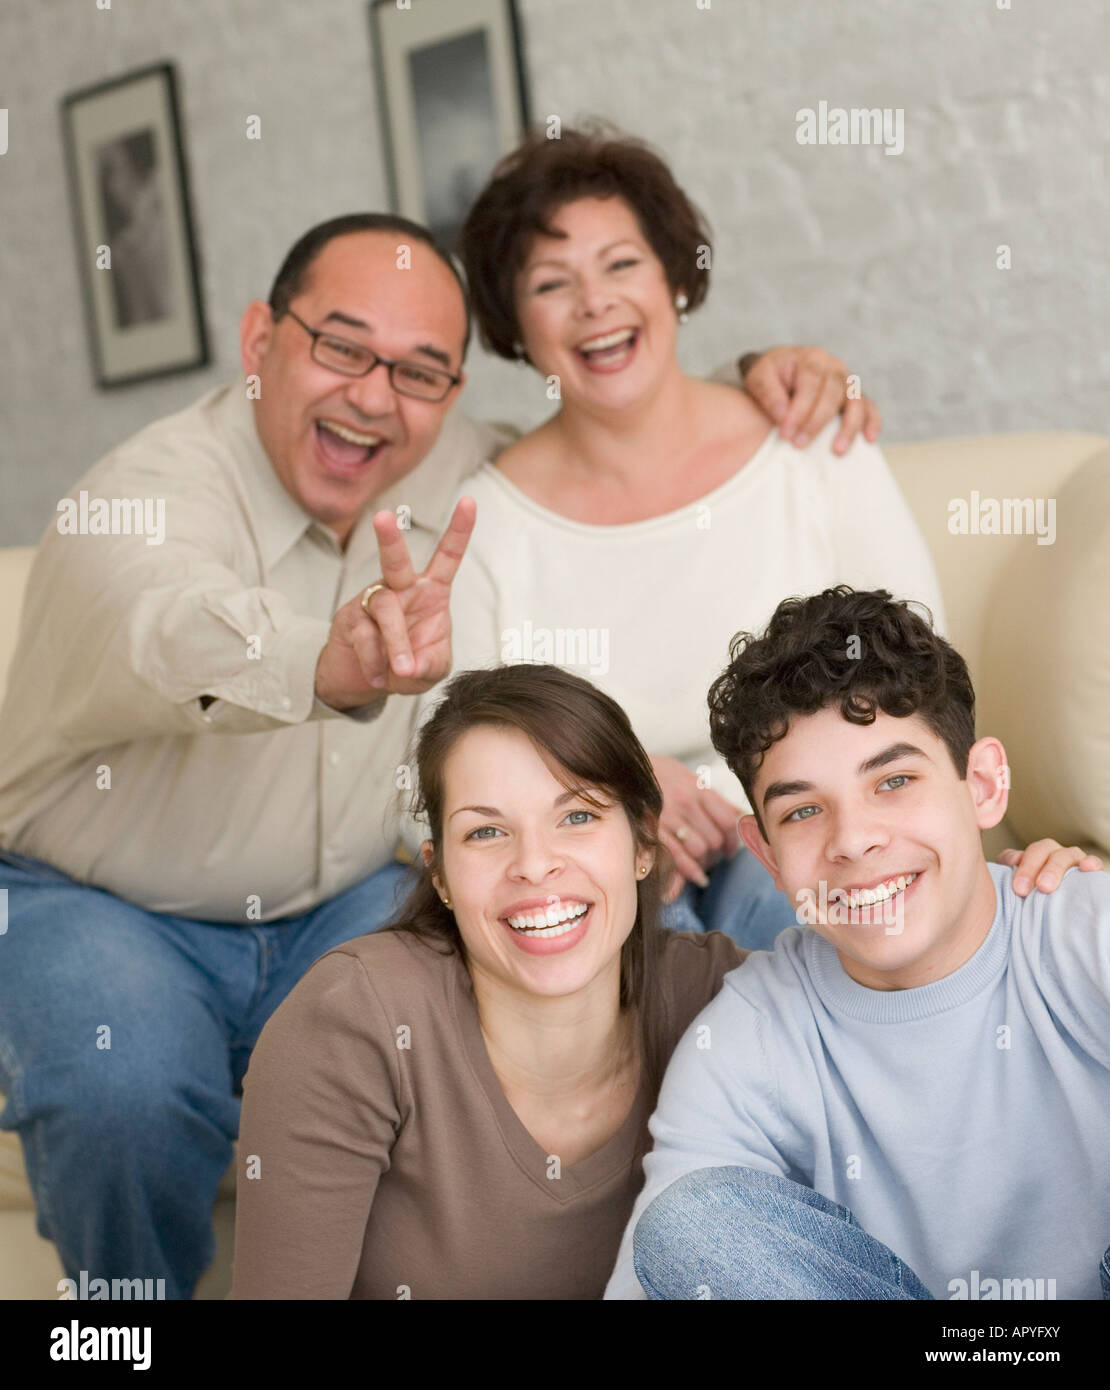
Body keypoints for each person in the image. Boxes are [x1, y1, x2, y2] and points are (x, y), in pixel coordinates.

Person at [0, 208, 868, 1300]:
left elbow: (613, 440)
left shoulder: (463, 465)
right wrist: (336, 661)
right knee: (120, 1087)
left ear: (455, 392)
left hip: (346, 896)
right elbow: (162, 626)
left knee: (476, 1015)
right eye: (342, 347)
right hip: (100, 899)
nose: (375, 397)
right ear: (260, 337)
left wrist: (758, 380)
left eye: (420, 371)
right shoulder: (137, 498)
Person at [229, 660, 1096, 1299]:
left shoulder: (717, 997)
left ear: (646, 845)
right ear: (442, 873)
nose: (538, 866)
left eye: (577, 816)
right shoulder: (359, 1018)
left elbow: (899, 959)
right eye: (487, 833)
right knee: (697, 1226)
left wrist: (1008, 896)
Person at [403, 126, 947, 948]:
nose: (596, 303)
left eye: (622, 265)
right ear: (515, 325)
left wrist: (736, 794)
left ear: (674, 281)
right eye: (553, 284)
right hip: (601, 865)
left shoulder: (811, 440)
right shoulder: (487, 519)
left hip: (803, 828)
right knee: (638, 967)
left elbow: (919, 674)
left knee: (792, 925)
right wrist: (614, 785)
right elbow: (446, 765)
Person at [605, 587, 1109, 1301]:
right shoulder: (750, 1035)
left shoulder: (1084, 931)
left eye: (895, 780)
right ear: (769, 855)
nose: (853, 839)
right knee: (691, 1227)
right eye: (805, 810)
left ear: (984, 786)